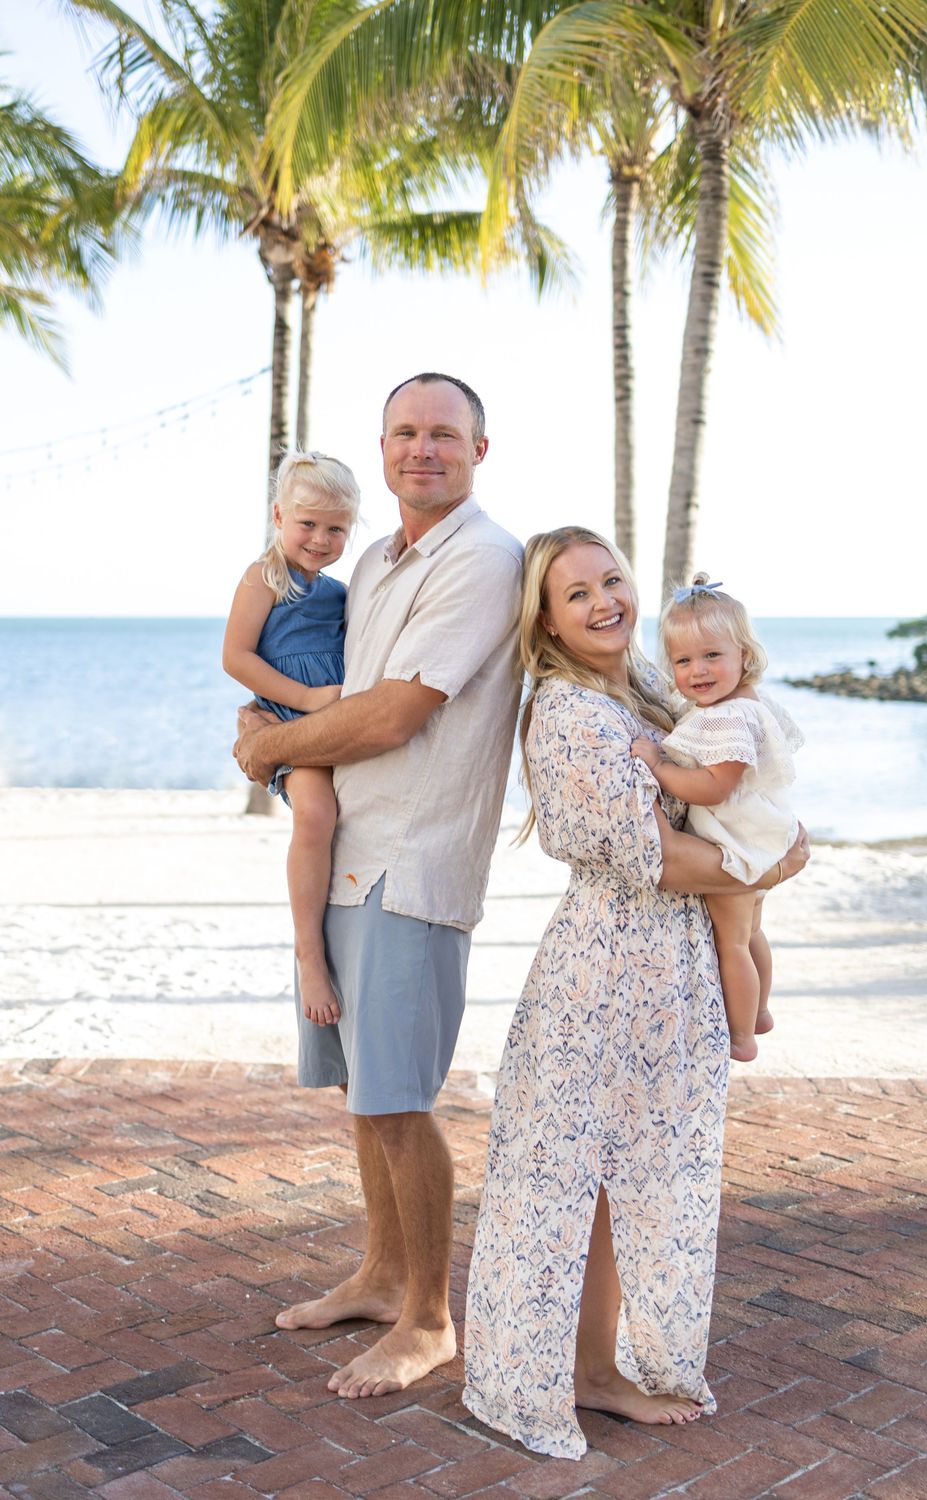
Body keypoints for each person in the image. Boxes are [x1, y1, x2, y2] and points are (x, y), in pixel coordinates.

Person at [462, 527, 809, 1460]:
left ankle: (603, 1367)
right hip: (607, 974)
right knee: (572, 1178)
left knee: (637, 1178)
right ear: (545, 619)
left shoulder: (649, 689)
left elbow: (731, 791)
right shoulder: (569, 712)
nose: (604, 601)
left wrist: (762, 847)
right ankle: (568, 1373)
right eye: (576, 594)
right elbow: (651, 856)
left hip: (674, 967)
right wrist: (770, 861)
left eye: (611, 580)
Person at [233, 373, 522, 1399]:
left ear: (479, 451)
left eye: (444, 434)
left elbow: (395, 715)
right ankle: (382, 1272)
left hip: (415, 864)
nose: (422, 449)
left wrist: (270, 747)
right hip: (351, 849)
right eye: (404, 432)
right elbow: (333, 688)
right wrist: (273, 736)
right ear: (384, 446)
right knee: (366, 1091)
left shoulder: (484, 559)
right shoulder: (372, 559)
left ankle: (431, 1319)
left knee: (402, 1099)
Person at [631, 574, 803, 1062]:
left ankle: (743, 1035)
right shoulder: (747, 701)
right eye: (683, 660)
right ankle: (763, 1011)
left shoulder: (725, 717)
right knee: (751, 932)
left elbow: (715, 786)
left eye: (712, 656)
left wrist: (660, 766)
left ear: (743, 656)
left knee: (731, 943)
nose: (697, 671)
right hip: (764, 832)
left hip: (737, 841)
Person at [223, 450, 360, 1028]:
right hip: (289, 721)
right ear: (278, 516)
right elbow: (235, 657)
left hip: (336, 721)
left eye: (337, 528)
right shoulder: (264, 577)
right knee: (315, 816)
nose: (321, 538)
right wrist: (304, 702)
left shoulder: (338, 592)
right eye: (308, 524)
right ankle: (309, 954)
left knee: (347, 816)